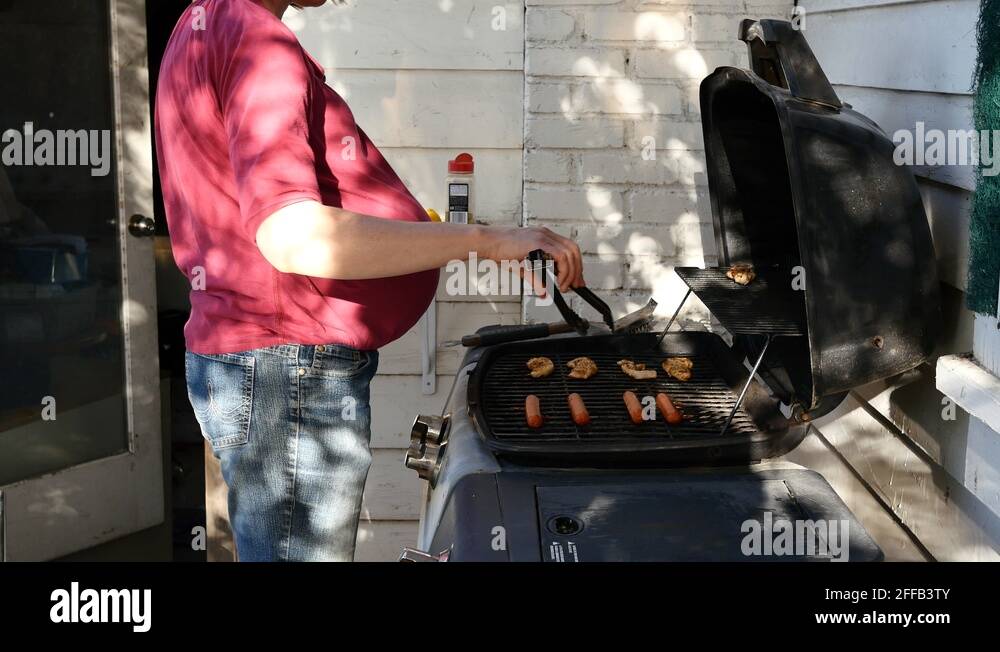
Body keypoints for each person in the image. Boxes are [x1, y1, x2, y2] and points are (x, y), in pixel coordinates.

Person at [154, 0, 585, 561]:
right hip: (289, 370)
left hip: (258, 364)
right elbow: (292, 235)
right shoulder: (259, 43)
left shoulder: (201, 25)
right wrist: (482, 240)